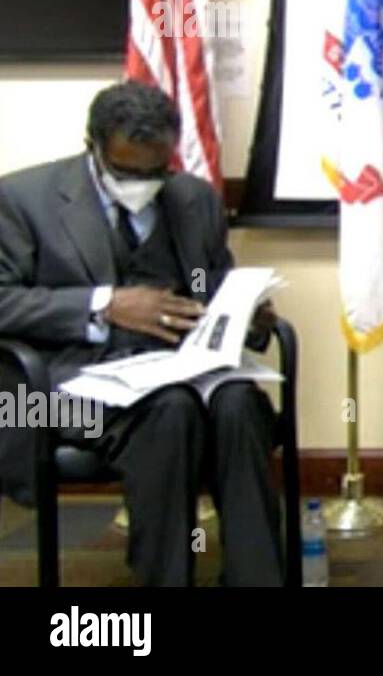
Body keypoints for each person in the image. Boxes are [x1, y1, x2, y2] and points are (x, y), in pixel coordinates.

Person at [0, 81, 284, 586]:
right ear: (94, 148)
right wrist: (104, 306)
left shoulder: (192, 198)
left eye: (158, 170)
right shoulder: (23, 201)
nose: (147, 183)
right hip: (69, 385)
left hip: (181, 368)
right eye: (130, 172)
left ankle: (257, 579)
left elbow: (210, 283)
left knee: (239, 403)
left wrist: (246, 311)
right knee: (170, 412)